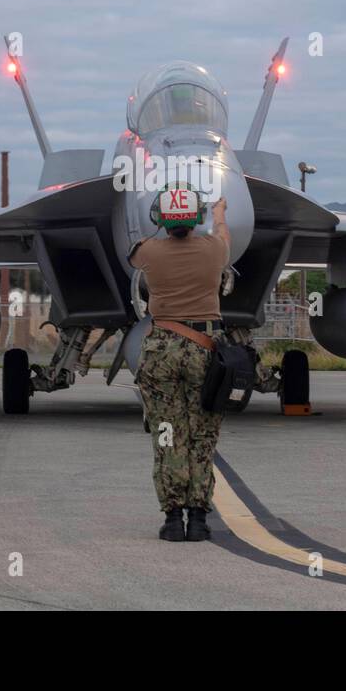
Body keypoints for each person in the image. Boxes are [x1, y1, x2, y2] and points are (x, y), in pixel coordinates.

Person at [130, 188, 230, 542]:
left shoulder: (148, 251)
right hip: (204, 349)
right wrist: (218, 212)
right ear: (196, 218)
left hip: (161, 350)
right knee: (203, 436)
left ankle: (173, 519)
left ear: (162, 219)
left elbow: (136, 252)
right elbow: (222, 232)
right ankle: (199, 519)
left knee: (167, 433)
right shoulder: (214, 249)